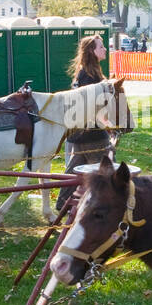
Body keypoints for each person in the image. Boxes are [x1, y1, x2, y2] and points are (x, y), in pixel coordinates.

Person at [56, 34, 114, 211]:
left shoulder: (86, 73)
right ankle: (107, 208)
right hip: (93, 135)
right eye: (101, 46)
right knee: (106, 173)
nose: (104, 49)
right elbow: (91, 107)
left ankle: (62, 205)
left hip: (80, 134)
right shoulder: (90, 76)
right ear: (92, 51)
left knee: (75, 172)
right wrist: (108, 125)